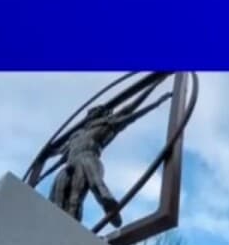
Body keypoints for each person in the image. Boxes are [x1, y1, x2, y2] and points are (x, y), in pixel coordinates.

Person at [48, 91, 173, 227]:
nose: (90, 115)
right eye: (90, 113)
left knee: (88, 188)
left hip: (87, 157)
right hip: (70, 164)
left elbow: (130, 112)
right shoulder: (76, 135)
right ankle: (59, 221)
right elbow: (60, 151)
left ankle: (107, 202)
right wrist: (48, 153)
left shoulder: (106, 124)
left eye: (95, 112)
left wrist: (155, 101)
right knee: (60, 194)